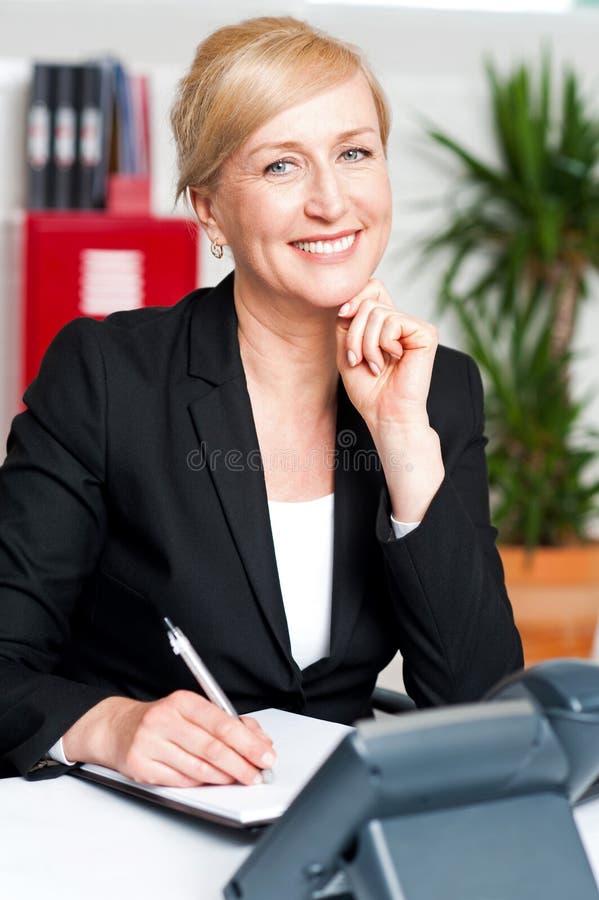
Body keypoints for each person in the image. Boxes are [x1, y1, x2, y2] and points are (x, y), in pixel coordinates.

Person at [0, 16, 522, 786]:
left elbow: (481, 708)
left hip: (333, 814)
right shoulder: (110, 375)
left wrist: (403, 441)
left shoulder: (434, 386)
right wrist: (109, 726)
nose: (330, 201)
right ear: (209, 210)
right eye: (281, 166)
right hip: (130, 812)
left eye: (353, 153)